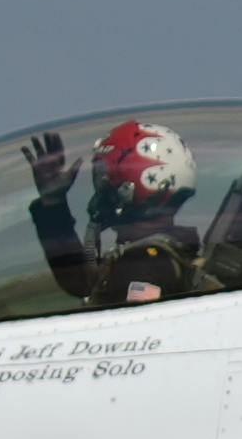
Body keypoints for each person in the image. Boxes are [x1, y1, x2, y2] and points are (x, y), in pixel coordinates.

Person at [21, 117, 215, 305]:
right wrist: (53, 205)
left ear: (132, 186)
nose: (101, 188)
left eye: (104, 176)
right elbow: (83, 283)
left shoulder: (142, 265)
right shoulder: (160, 255)